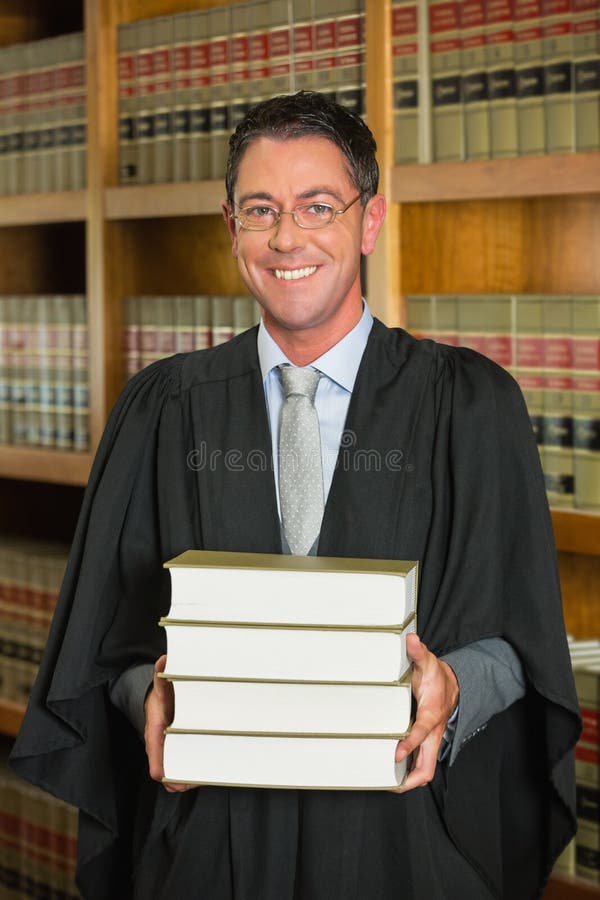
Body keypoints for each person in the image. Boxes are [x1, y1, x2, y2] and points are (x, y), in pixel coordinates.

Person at [11, 91, 580, 900]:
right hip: (212, 846)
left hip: (408, 843)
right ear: (230, 226)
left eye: (318, 206)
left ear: (369, 221)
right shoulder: (162, 409)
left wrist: (454, 690)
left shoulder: (471, 405)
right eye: (260, 210)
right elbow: (105, 647)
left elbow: (524, 641)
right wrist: (154, 695)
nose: (287, 239)